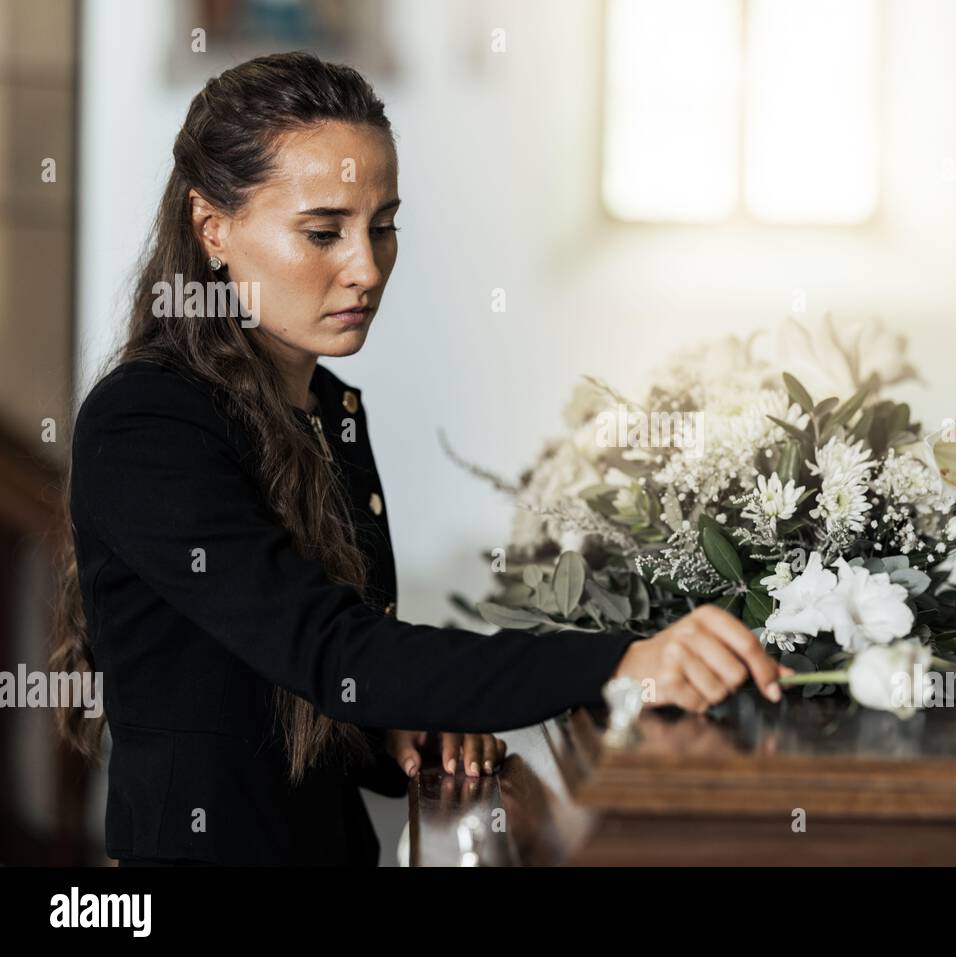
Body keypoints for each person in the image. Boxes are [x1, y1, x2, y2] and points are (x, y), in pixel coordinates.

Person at [51, 52, 784, 866]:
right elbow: (330, 649)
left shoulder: (329, 409)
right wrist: (623, 661)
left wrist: (390, 725)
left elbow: (294, 681)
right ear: (211, 228)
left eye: (384, 225)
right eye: (323, 231)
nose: (365, 268)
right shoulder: (146, 421)